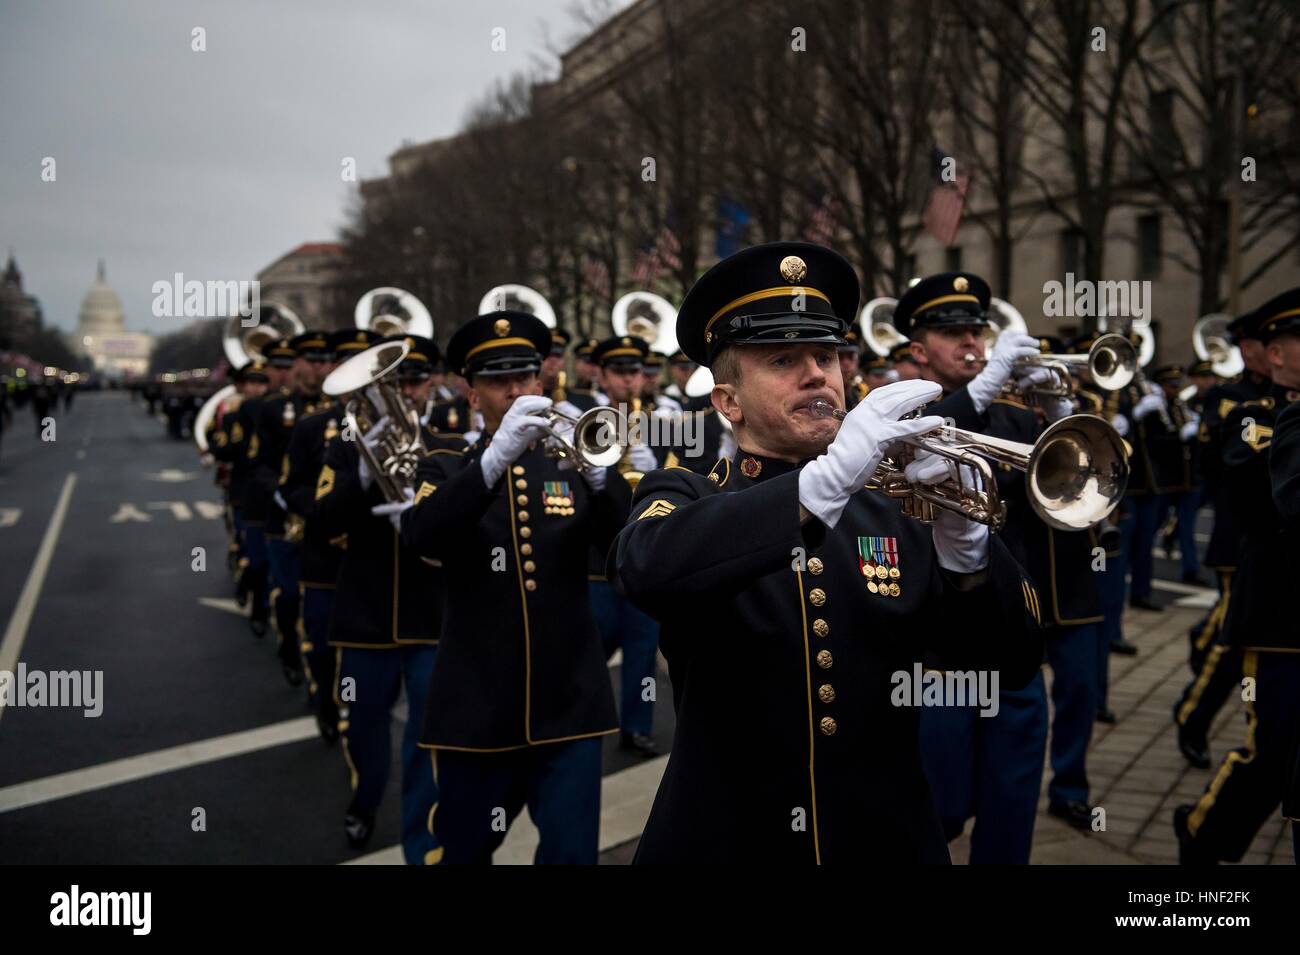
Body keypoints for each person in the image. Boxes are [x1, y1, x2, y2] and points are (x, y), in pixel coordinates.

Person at [608, 242, 1043, 863]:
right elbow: (643, 568)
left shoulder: (900, 506)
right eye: (783, 359)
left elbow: (1008, 665)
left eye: (826, 356)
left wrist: (969, 553)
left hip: (886, 841)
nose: (817, 374)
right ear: (727, 401)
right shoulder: (687, 492)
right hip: (729, 839)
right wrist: (820, 484)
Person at [397, 311, 631, 864]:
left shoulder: (568, 459)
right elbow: (422, 535)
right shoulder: (444, 462)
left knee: (573, 856)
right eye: (498, 380)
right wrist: (492, 459)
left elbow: (627, 545)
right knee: (466, 852)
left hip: (569, 699)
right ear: (471, 393)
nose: (516, 390)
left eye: (525, 377)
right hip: (477, 704)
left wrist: (602, 477)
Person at [314, 333, 459, 861]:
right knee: (363, 727)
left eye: (416, 381)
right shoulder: (345, 441)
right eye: (399, 383)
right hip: (365, 613)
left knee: (427, 737)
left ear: (432, 383)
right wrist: (359, 472)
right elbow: (321, 522)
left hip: (430, 611)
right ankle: (364, 799)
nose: (409, 392)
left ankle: (422, 845)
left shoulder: (450, 439)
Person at [1175, 286, 1300, 864]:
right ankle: (1204, 835)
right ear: (1273, 353)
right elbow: (1262, 503)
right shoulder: (1253, 416)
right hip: (1278, 612)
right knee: (1272, 752)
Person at [1173, 314, 1273, 769]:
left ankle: (1202, 636)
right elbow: (1222, 465)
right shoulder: (1231, 398)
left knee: (1230, 628)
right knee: (1234, 637)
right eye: (1259, 343)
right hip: (1240, 537)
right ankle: (1194, 715)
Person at [279, 329, 380, 741]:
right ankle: (324, 698)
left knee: (360, 653)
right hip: (323, 554)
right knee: (320, 644)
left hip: (369, 558)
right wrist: (322, 507)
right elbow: (290, 487)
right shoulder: (311, 427)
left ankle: (348, 712)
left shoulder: (392, 428)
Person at [251, 331, 332, 685]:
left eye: (323, 361)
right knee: (287, 594)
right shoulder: (273, 408)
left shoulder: (340, 409)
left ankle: (323, 677)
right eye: (311, 361)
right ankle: (289, 650)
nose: (318, 368)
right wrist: (284, 495)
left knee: (323, 606)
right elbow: (261, 462)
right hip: (285, 517)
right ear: (298, 364)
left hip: (327, 520)